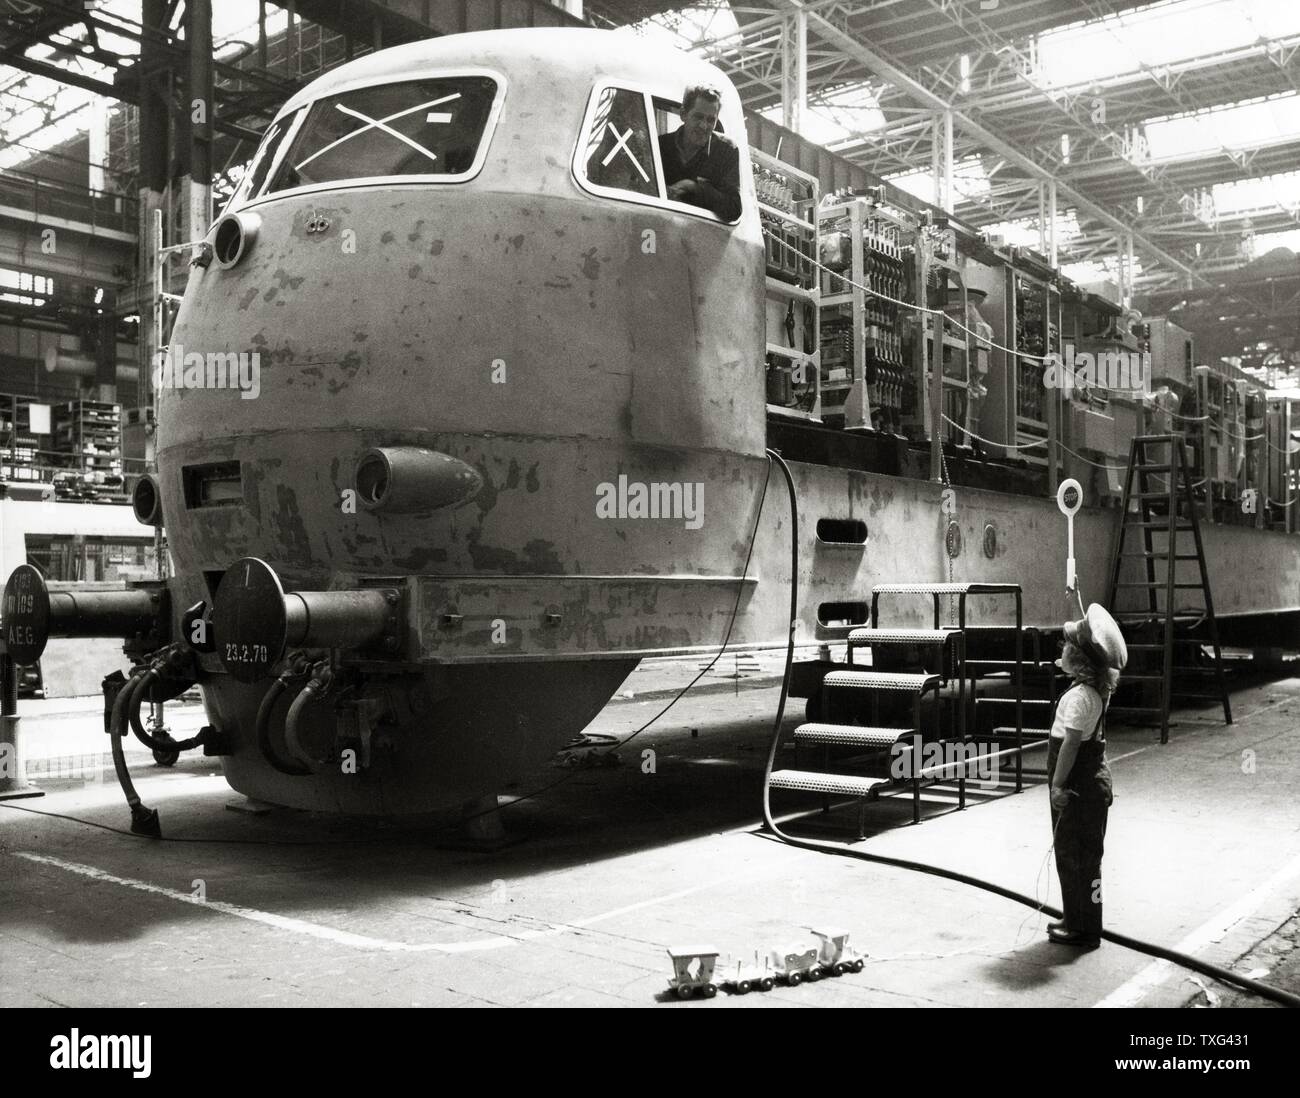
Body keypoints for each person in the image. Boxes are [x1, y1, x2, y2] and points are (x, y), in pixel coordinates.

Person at [1046, 603, 1126, 949]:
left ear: (1076, 659)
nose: (1061, 650)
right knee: (1087, 859)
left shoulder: (1078, 698)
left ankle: (1081, 929)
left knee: (1072, 856)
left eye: (1066, 647)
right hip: (1094, 782)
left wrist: (1057, 784)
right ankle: (1081, 919)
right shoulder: (1096, 691)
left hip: (1077, 784)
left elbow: (1070, 746)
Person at [658, 85, 742, 222]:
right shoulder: (661, 145)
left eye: (711, 120)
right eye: (698, 117)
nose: (704, 126)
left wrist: (694, 188)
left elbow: (734, 209)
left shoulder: (726, 150)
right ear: (683, 114)